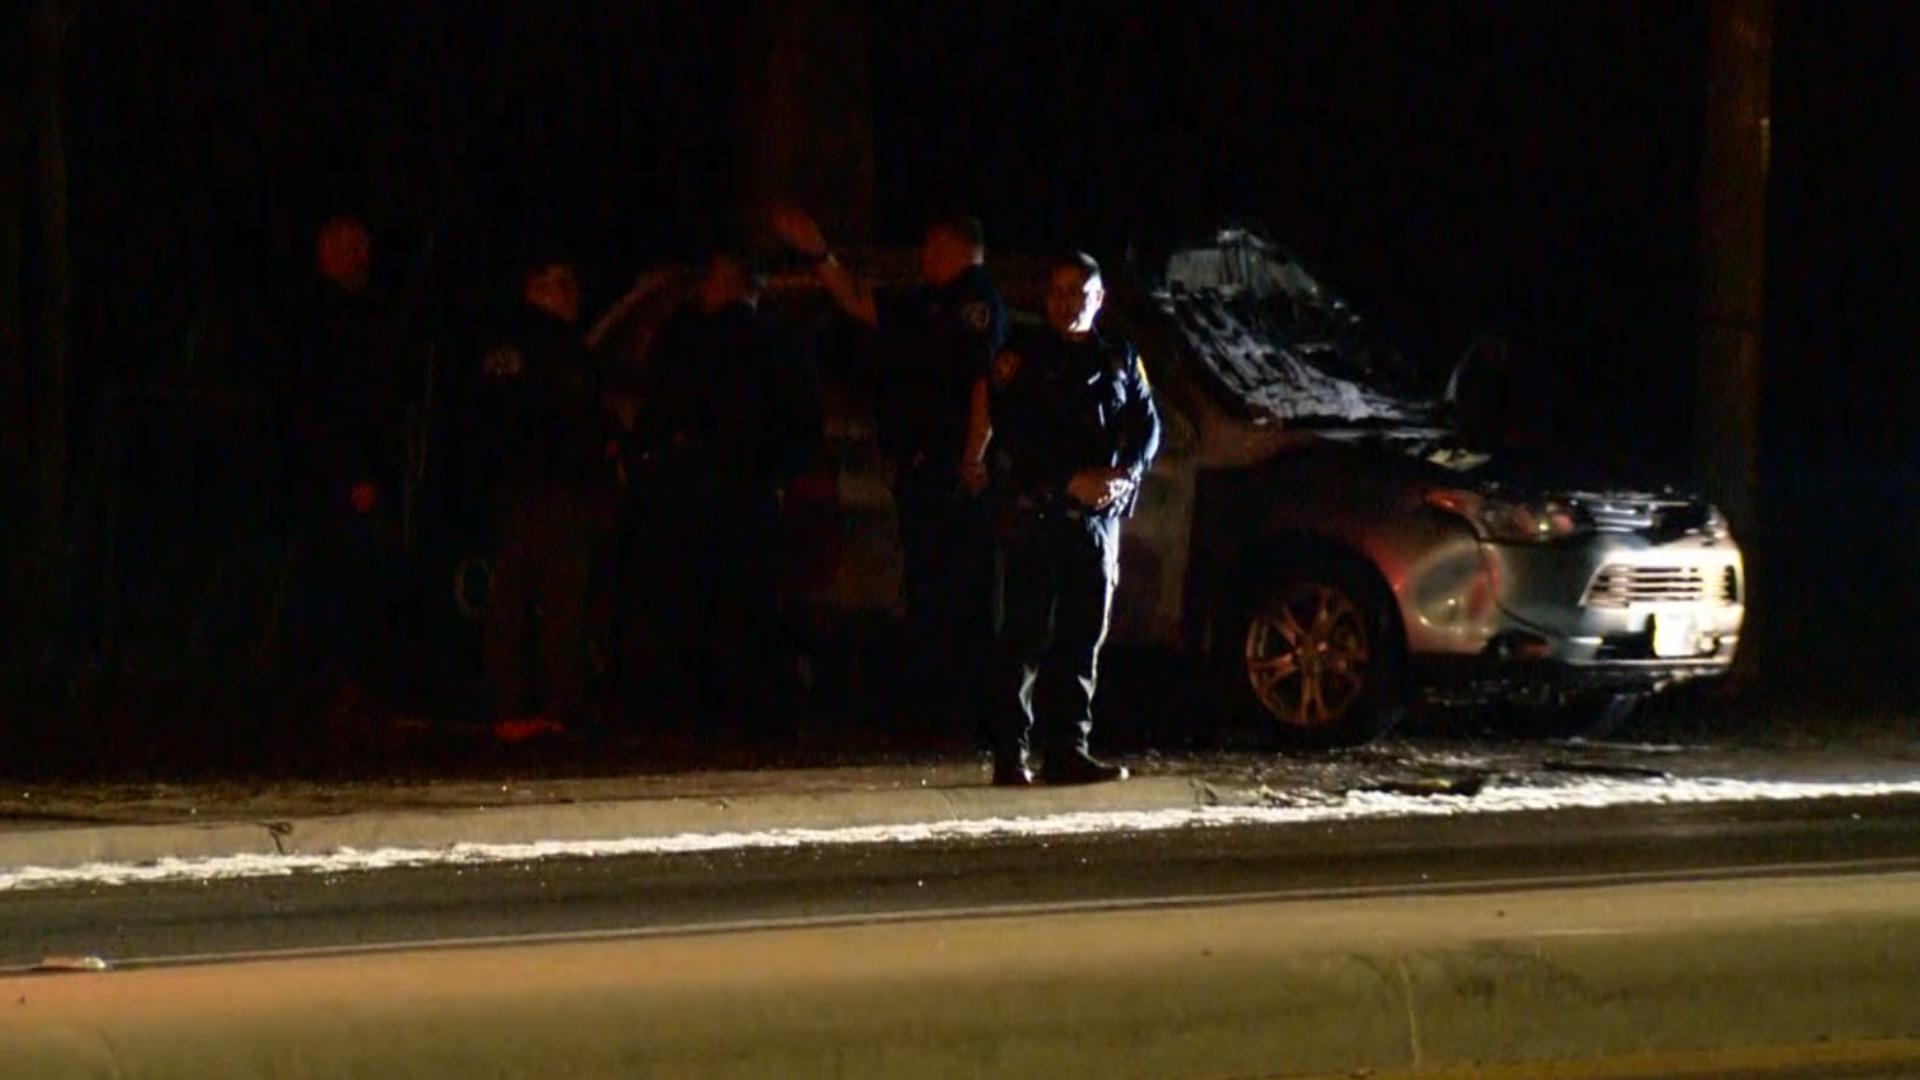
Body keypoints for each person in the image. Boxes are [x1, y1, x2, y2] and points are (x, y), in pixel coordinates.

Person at [770, 205, 1005, 741]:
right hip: (920, 472)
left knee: (953, 596)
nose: (922, 258)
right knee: (925, 591)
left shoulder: (974, 304)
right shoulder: (931, 303)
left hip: (950, 475)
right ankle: (932, 709)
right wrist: (818, 253)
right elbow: (858, 302)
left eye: (928, 248)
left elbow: (981, 386)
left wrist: (972, 456)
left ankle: (958, 715)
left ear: (948, 245)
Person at [622, 250, 821, 743]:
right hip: (749, 490)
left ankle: (685, 713)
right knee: (748, 605)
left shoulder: (686, 339)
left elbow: (655, 410)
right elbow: (803, 421)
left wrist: (647, 458)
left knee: (686, 603)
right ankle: (752, 713)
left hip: (689, 488)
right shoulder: (777, 341)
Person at [985, 252, 1160, 785]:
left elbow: (1147, 425)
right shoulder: (1023, 354)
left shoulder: (1120, 357)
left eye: (1077, 292)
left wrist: (1127, 475)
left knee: (1083, 638)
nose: (1066, 302)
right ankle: (1011, 754)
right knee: (1024, 636)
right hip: (1041, 515)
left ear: (1099, 299)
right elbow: (1011, 436)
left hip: (1096, 522)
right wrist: (1066, 479)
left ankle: (1068, 750)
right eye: (1057, 291)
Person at [278, 213, 411, 712]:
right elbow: (324, 403)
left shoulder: (358, 314)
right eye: (353, 246)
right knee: (340, 577)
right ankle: (333, 682)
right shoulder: (320, 319)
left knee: (355, 577)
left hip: (347, 470)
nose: (364, 257)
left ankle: (345, 681)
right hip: (334, 476)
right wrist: (352, 471)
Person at [476, 252, 612, 735]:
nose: (570, 293)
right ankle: (551, 701)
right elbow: (564, 419)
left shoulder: (529, 343)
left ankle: (517, 701)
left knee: (524, 596)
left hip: (522, 487)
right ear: (533, 287)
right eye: (559, 283)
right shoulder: (548, 346)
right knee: (551, 597)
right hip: (546, 486)